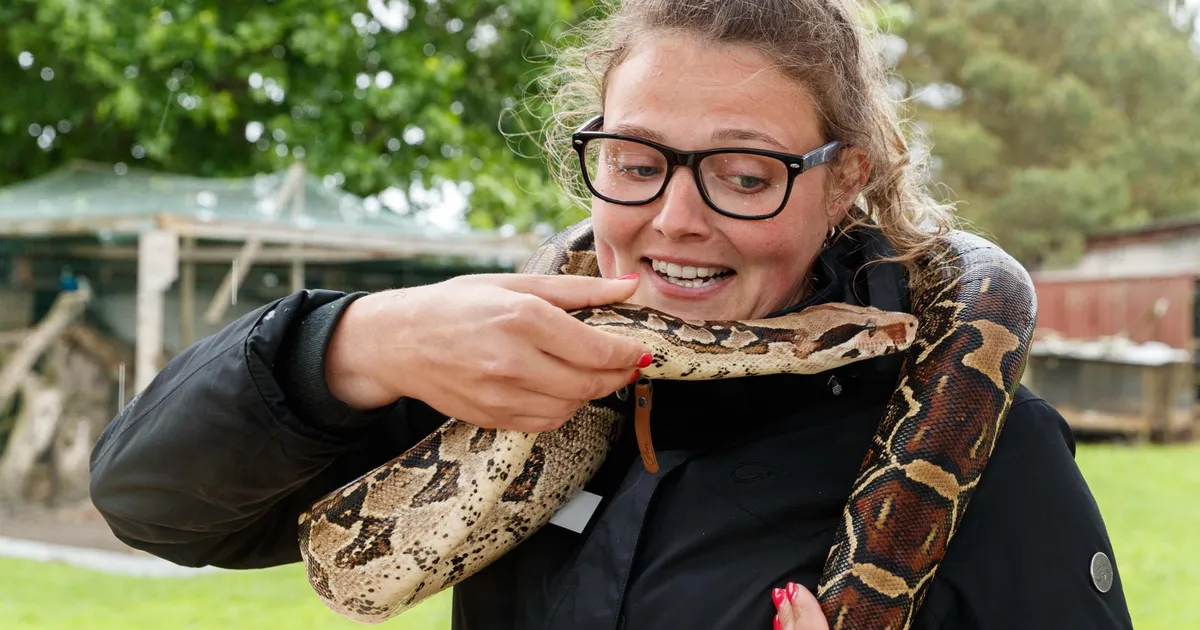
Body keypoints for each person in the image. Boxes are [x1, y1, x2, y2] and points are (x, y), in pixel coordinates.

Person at [88, 1, 1135, 628]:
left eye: (743, 172)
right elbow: (151, 503)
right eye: (636, 163)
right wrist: (352, 343)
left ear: (841, 179)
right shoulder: (500, 376)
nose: (677, 220)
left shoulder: (990, 445)